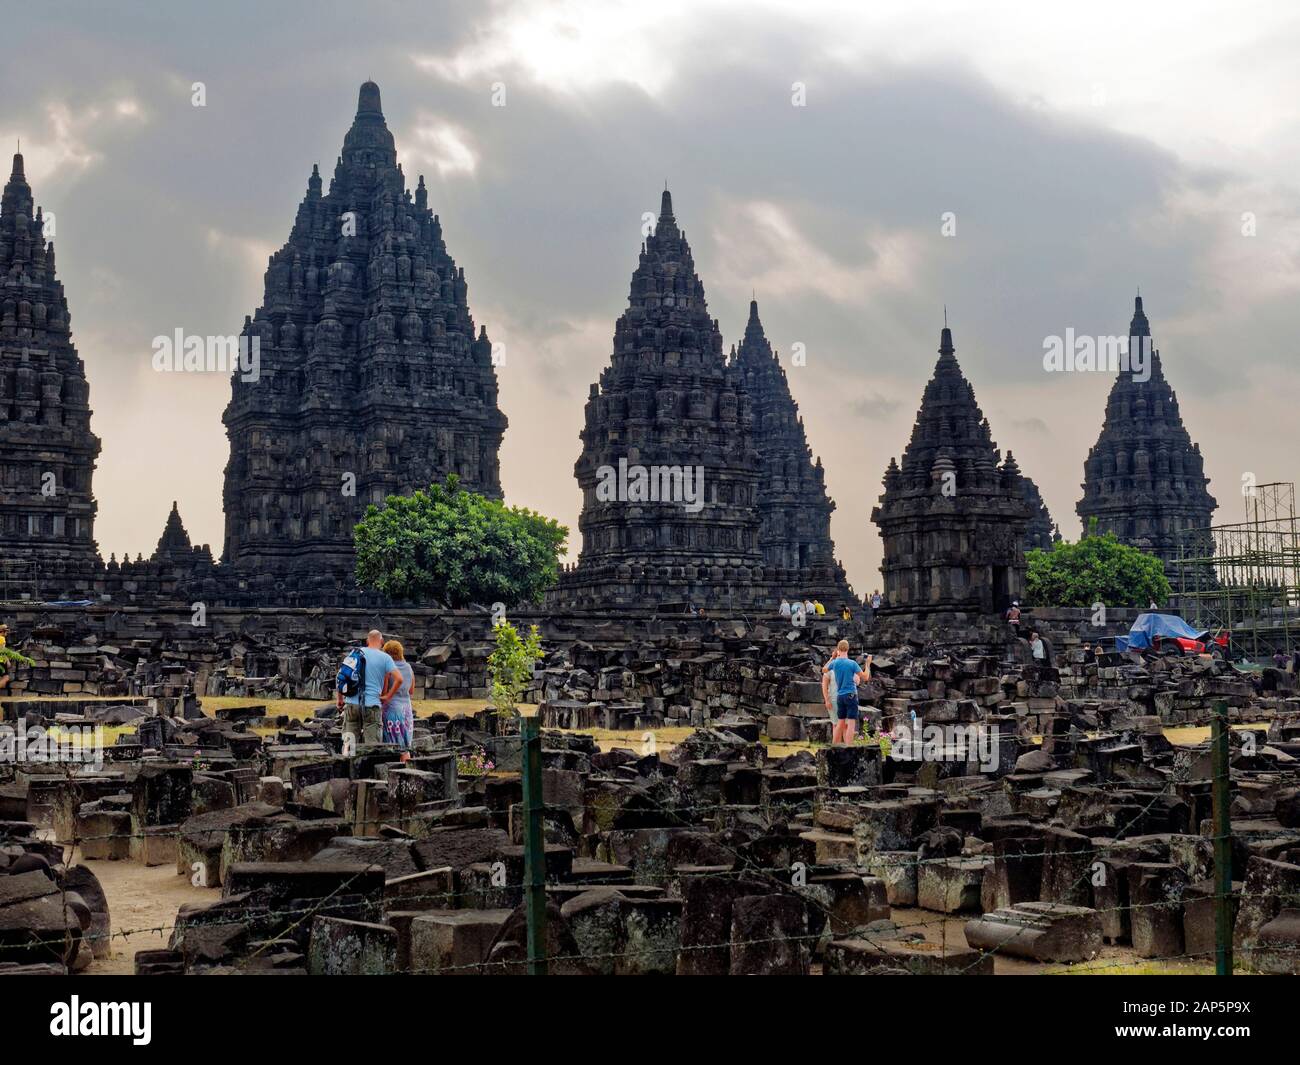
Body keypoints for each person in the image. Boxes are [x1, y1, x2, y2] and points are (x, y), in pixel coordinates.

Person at [336, 629, 403, 746]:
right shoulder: (385, 658)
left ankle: (348, 762)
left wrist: (340, 699)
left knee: (349, 745)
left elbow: (341, 676)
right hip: (372, 705)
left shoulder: (355, 653)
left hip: (352, 704)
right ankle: (369, 763)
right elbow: (399, 679)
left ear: (367, 641)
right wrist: (387, 696)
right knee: (372, 746)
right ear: (381, 641)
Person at [822, 639, 870, 746]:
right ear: (848, 649)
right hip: (851, 695)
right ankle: (849, 748)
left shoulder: (834, 663)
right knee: (851, 724)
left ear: (838, 649)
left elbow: (824, 670)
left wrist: (831, 658)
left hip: (840, 696)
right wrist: (868, 664)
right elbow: (865, 677)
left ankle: (834, 746)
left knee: (840, 723)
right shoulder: (852, 663)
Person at [382, 639, 415, 759]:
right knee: (405, 746)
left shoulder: (389, 669)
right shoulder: (409, 667)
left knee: (392, 745)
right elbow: (411, 691)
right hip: (407, 710)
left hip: (391, 709)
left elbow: (384, 691)